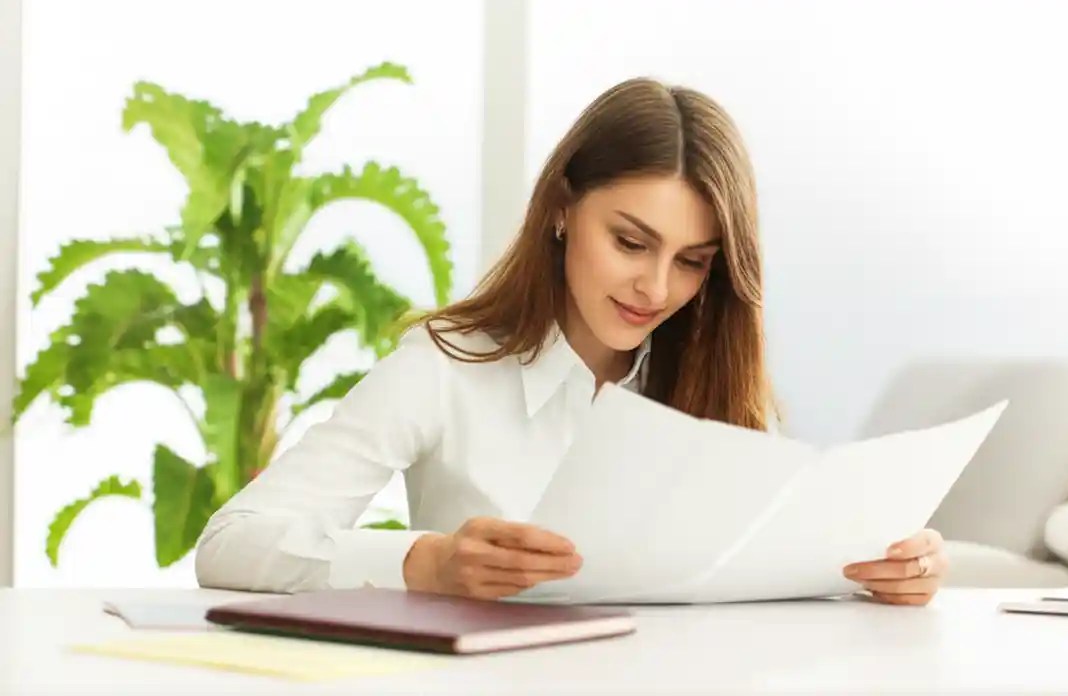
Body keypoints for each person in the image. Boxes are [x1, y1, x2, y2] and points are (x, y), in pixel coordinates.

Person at [194, 77, 949, 607]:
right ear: (562, 209)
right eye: (630, 242)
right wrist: (426, 562)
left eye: (692, 263)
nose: (656, 289)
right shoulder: (447, 366)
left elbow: (766, 563)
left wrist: (880, 569)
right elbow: (231, 543)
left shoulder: (715, 380)